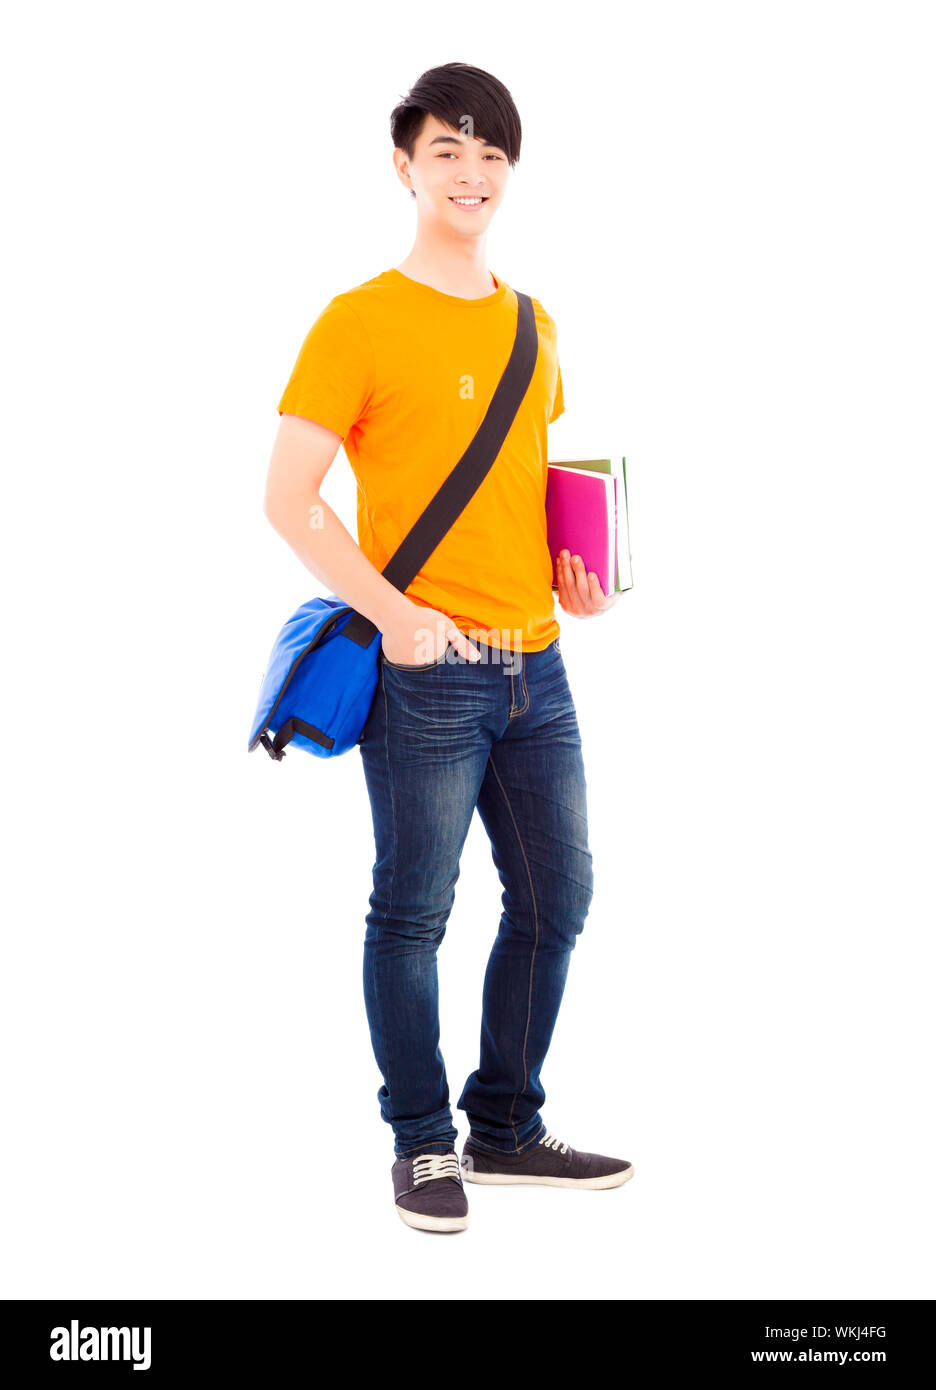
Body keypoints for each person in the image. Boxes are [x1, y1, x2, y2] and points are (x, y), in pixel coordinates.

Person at [263, 62, 633, 1233]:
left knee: (557, 897)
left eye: (491, 154)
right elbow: (289, 498)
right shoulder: (359, 319)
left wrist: (582, 578)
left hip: (540, 667)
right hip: (426, 676)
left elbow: (517, 486)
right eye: (447, 152)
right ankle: (423, 1144)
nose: (471, 173)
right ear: (405, 166)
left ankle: (507, 1127)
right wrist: (395, 613)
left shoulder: (535, 323)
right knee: (413, 910)